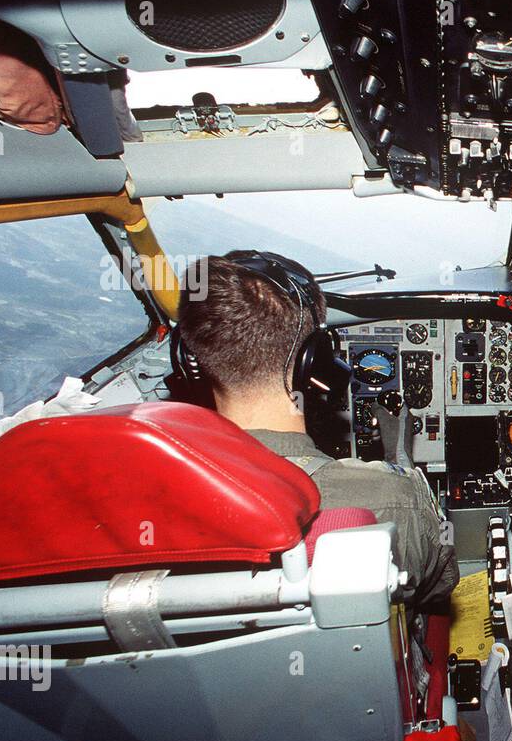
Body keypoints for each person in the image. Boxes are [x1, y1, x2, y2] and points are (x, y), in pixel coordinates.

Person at [176, 252, 458, 608]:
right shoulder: (394, 499)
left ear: (188, 362)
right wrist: (400, 467)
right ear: (315, 365)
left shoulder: (153, 497)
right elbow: (439, 589)